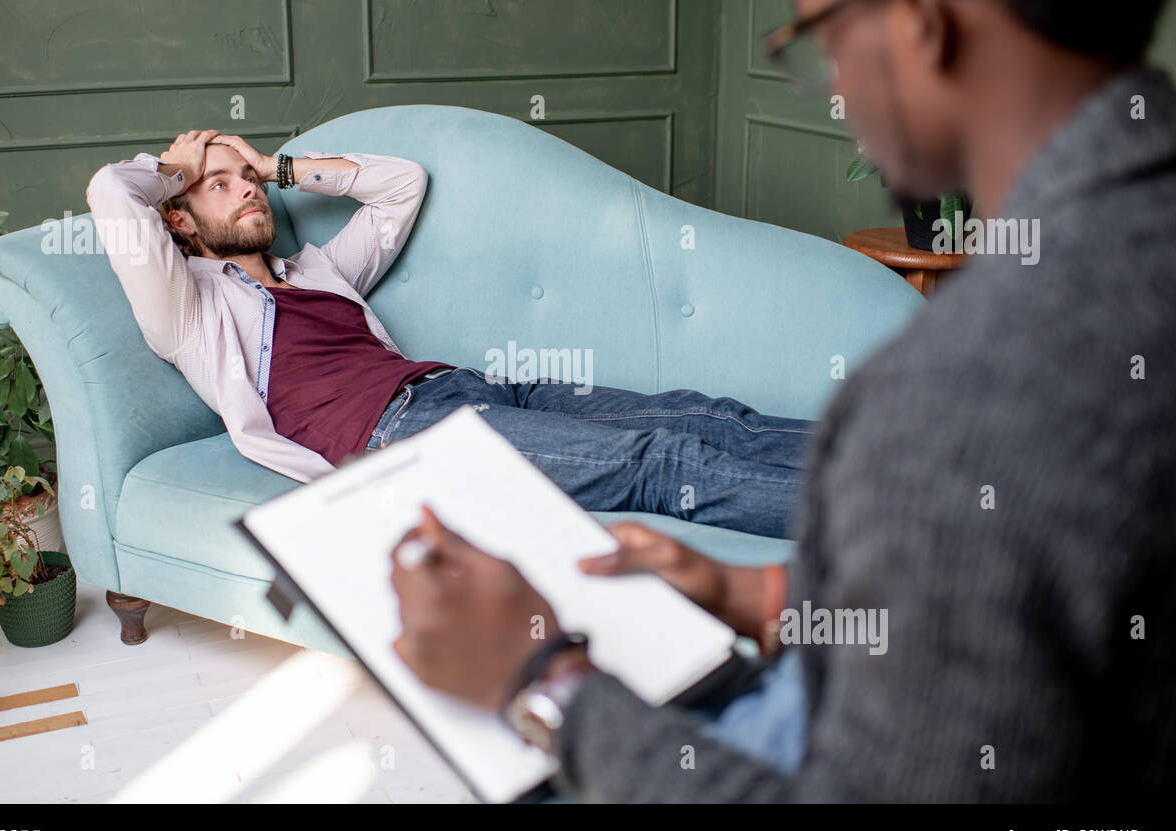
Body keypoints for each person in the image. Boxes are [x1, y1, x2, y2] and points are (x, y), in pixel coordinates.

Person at [387, 0, 1176, 801]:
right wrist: (772, 595)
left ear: (918, 22)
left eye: (822, 38)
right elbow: (1051, 574)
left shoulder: (961, 394)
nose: (835, 88)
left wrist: (540, 682)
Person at [86, 133, 814, 539]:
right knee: (659, 463)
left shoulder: (317, 270)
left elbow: (403, 183)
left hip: (473, 389)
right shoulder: (191, 314)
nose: (247, 188)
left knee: (705, 414)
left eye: (247, 178)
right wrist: (175, 167)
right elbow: (110, 195)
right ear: (178, 221)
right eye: (220, 185)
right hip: (410, 438)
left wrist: (277, 164)